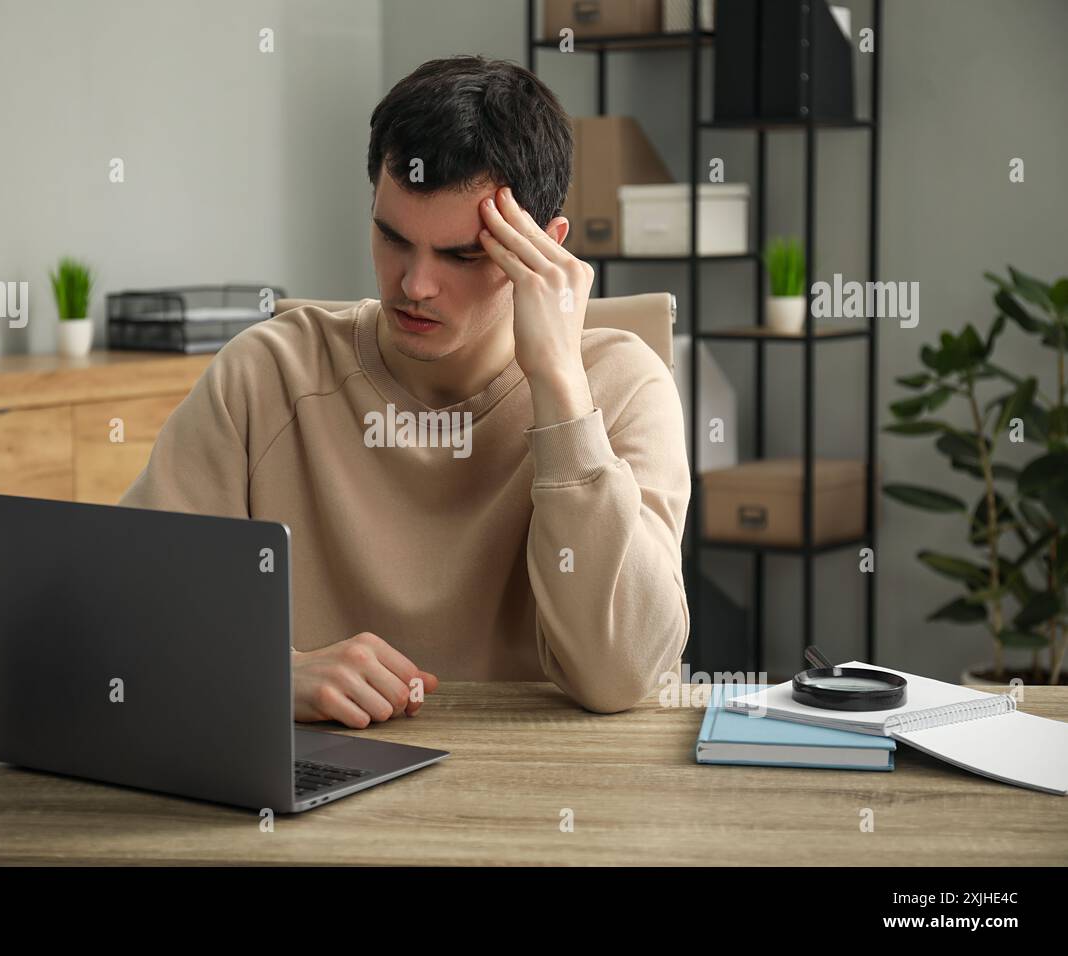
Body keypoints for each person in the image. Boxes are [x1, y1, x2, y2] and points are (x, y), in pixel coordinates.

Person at [120, 55, 691, 728]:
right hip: (309, 805)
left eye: (463, 255)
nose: (415, 285)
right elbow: (126, 625)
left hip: (538, 805)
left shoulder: (621, 386)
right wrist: (262, 673)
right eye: (393, 238)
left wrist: (560, 389)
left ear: (546, 250)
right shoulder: (266, 375)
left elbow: (619, 674)